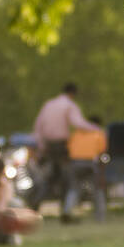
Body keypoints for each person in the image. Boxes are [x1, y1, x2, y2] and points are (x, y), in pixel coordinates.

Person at [33, 83, 102, 221]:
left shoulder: (49, 104)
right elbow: (78, 123)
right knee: (68, 178)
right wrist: (95, 128)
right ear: (73, 94)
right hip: (61, 146)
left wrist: (41, 146)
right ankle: (65, 210)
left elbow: (38, 126)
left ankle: (34, 205)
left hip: (48, 145)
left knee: (51, 177)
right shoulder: (69, 105)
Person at [65, 115, 109, 216]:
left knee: (73, 188)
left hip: (75, 163)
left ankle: (67, 212)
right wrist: (102, 172)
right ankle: (100, 215)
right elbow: (103, 154)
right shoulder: (99, 133)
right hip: (91, 163)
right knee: (98, 189)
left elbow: (69, 150)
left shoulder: (76, 133)